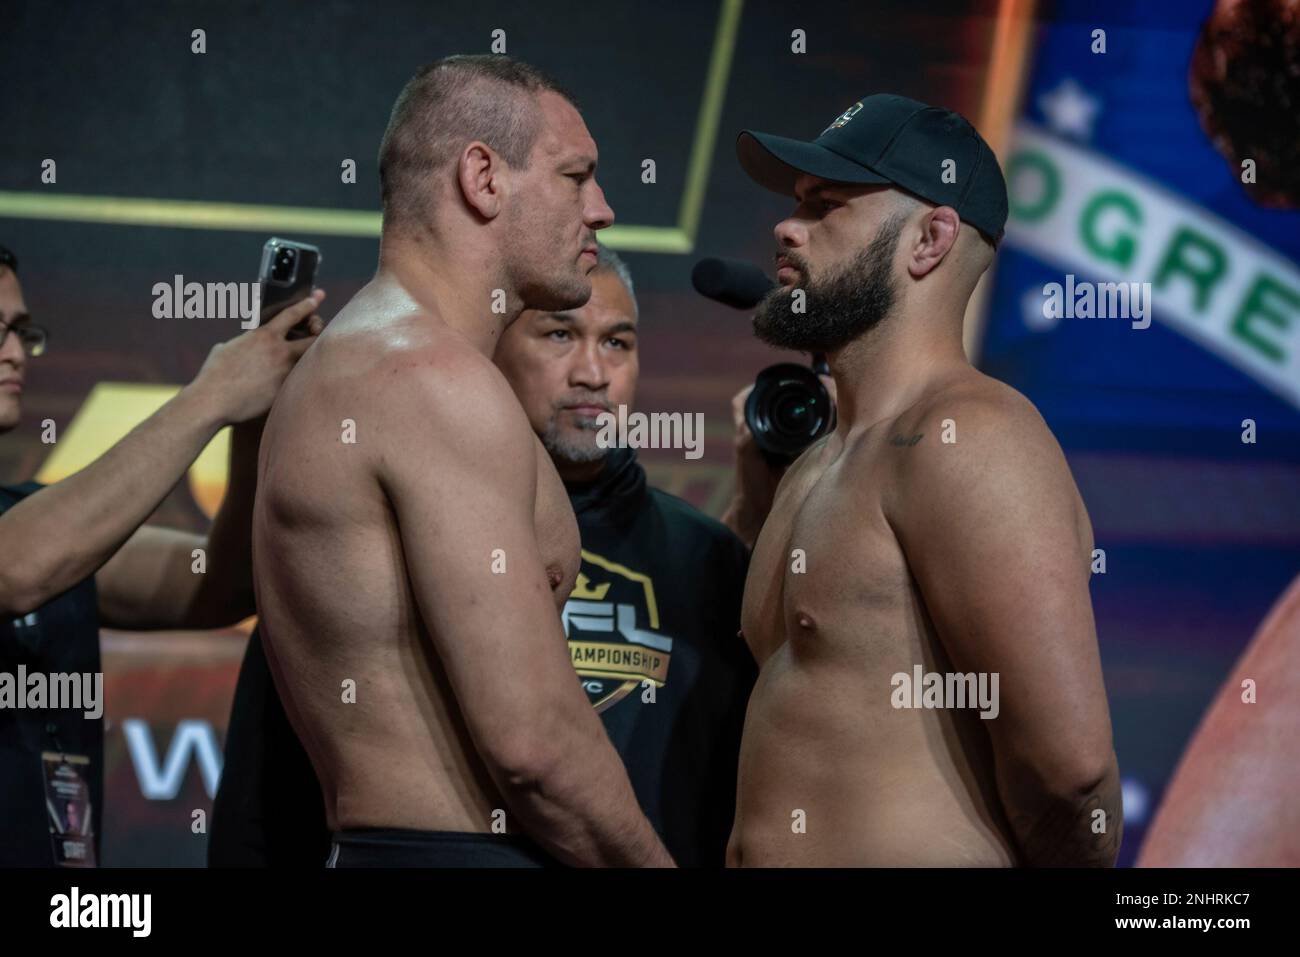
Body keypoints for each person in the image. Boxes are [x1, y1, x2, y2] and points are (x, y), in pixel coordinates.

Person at [250, 55, 672, 867]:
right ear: (482, 177)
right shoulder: (430, 380)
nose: (603, 210)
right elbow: (535, 746)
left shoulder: (362, 365)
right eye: (576, 176)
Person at [212, 247, 754, 867]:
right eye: (559, 335)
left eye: (618, 343)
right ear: (490, 352)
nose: (593, 374)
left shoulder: (707, 558)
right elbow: (265, 790)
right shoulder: (376, 538)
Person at [724, 94, 1122, 866]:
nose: (787, 224)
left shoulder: (972, 437)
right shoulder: (816, 462)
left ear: (930, 239)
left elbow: (1071, 774)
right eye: (795, 201)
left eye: (826, 203)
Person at [0, 240, 324, 866]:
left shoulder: (42, 522)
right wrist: (211, 396)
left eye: (20, 330)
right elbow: (15, 572)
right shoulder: (36, 540)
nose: (15, 353)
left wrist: (256, 409)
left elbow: (219, 583)